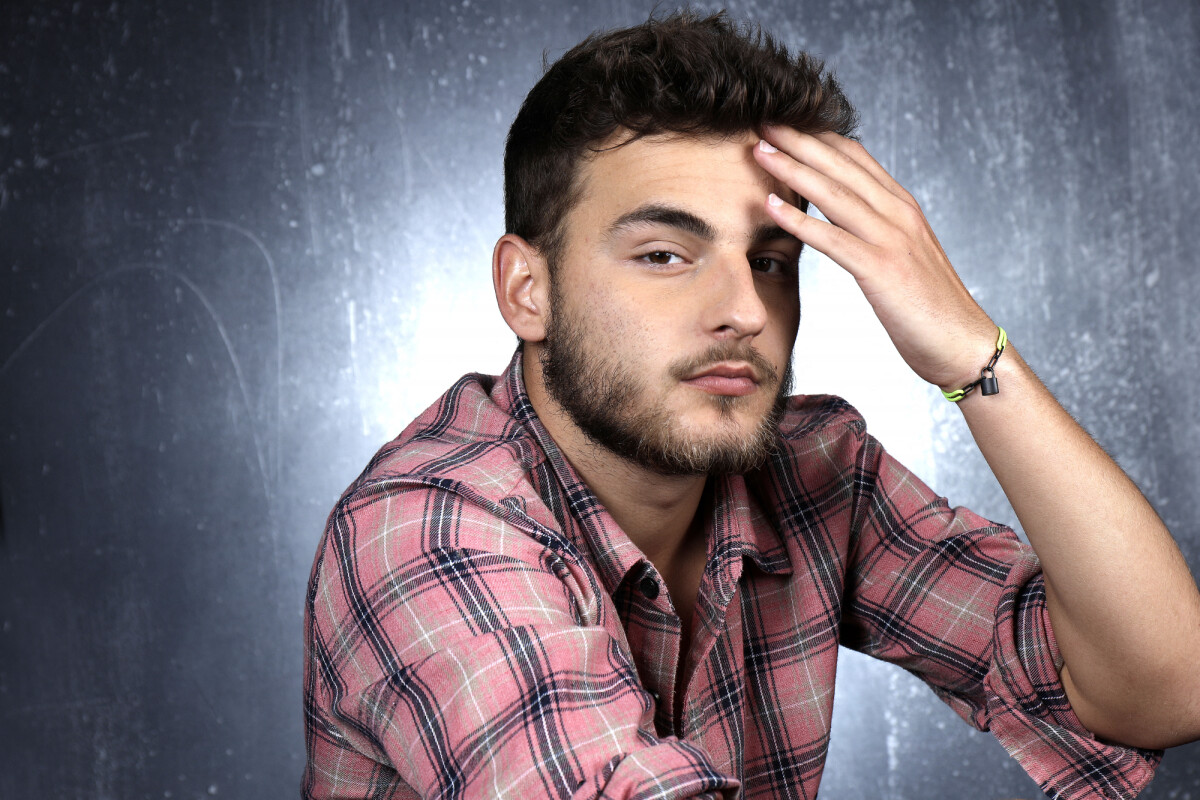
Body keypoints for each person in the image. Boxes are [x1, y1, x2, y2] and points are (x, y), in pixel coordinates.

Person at [302, 11, 1200, 799]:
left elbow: (1164, 687)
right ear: (526, 290)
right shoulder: (424, 526)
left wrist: (969, 349)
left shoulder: (814, 470)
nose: (744, 309)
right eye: (664, 254)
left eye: (771, 260)